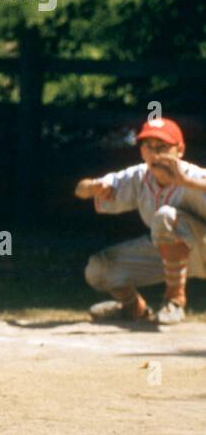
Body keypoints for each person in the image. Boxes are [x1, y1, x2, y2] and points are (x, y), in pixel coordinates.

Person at [76, 117, 206, 325]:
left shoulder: (193, 174)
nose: (155, 153)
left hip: (202, 249)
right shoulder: (139, 176)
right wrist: (92, 188)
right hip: (171, 253)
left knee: (166, 216)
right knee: (99, 269)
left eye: (162, 146)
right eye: (148, 146)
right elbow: (81, 189)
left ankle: (174, 301)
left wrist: (187, 182)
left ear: (179, 150)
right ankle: (134, 309)